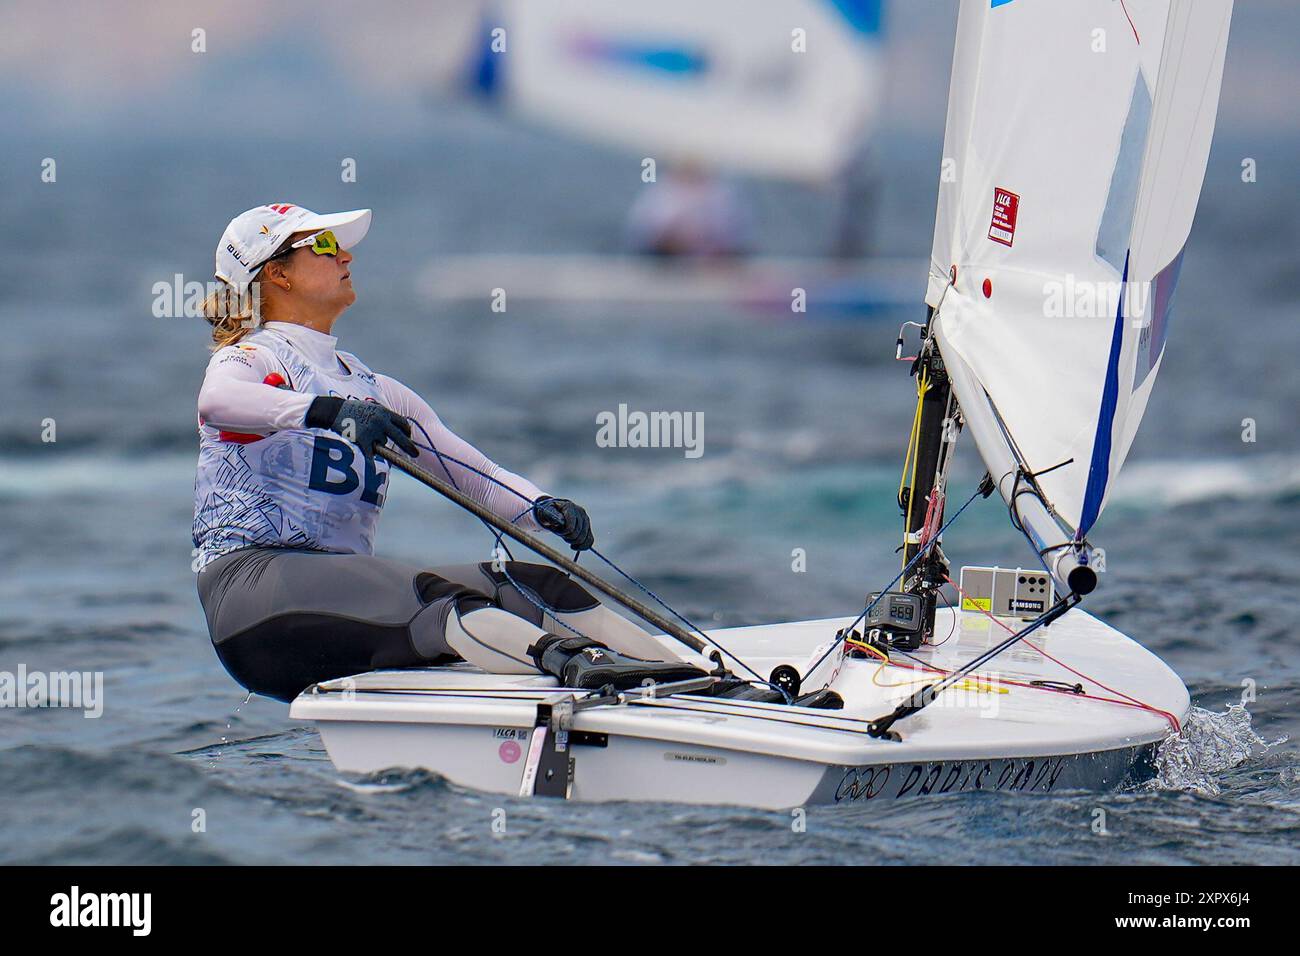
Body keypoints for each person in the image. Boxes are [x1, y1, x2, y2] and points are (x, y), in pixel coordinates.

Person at [193, 203, 770, 704]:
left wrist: (542, 507)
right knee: (440, 599)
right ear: (277, 276)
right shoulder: (252, 359)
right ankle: (587, 672)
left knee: (537, 584)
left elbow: (476, 476)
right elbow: (218, 402)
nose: (345, 256)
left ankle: (698, 684)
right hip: (253, 603)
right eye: (323, 245)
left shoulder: (375, 390)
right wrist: (321, 414)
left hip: (338, 603)